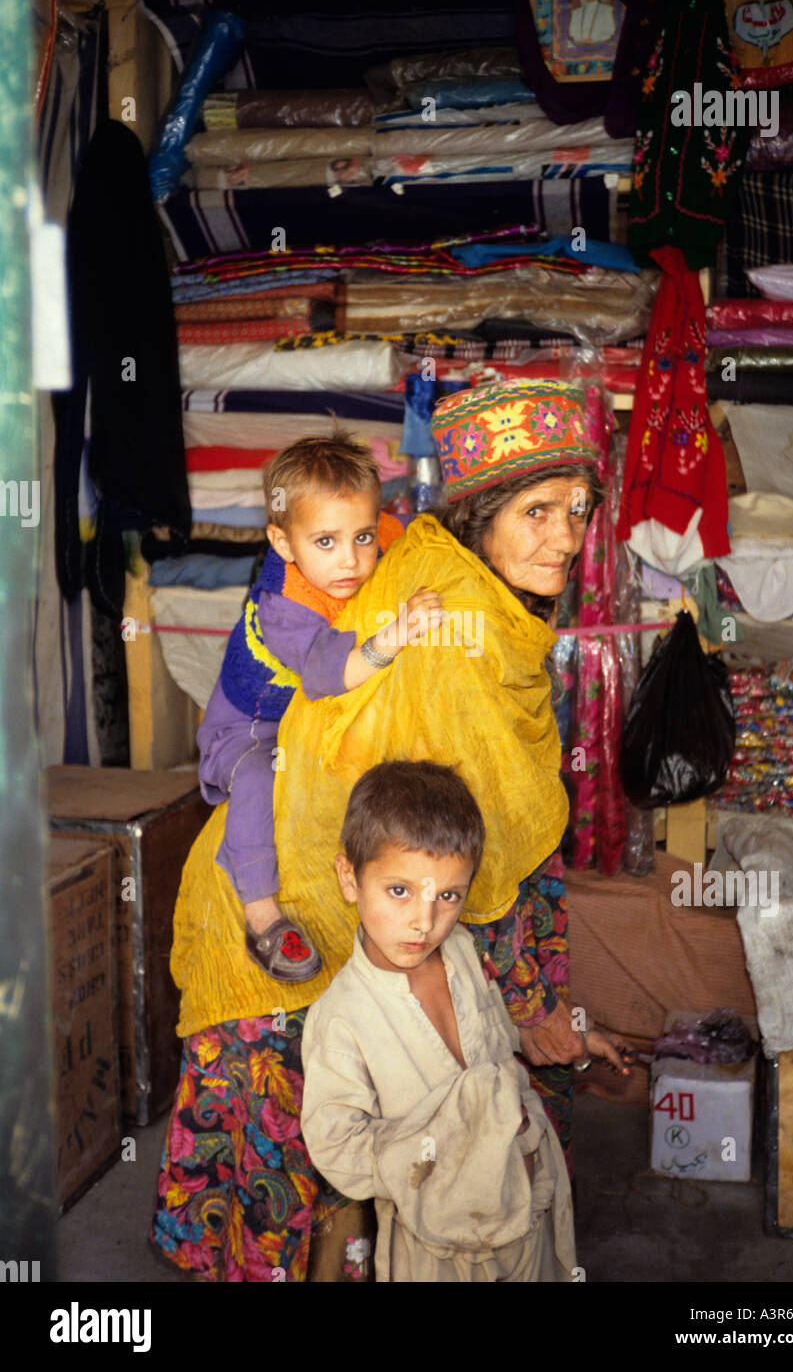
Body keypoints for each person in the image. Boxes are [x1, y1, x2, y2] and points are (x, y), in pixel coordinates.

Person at [152, 379, 633, 1282]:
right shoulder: (450, 621)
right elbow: (472, 854)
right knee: (305, 1167)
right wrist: (531, 1005)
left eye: (578, 508)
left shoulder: (483, 596)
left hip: (363, 896)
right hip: (287, 912)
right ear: (480, 516)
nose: (565, 536)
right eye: (536, 510)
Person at [301, 760, 576, 1283]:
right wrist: (445, 1154)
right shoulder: (341, 1018)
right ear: (349, 878)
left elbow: (494, 1035)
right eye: (399, 891)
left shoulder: (466, 953)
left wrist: (554, 1045)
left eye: (447, 896)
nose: (424, 922)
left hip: (527, 1212)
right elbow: (337, 1147)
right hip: (436, 1249)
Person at [196, 431, 442, 981]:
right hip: (248, 731)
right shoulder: (284, 609)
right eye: (325, 543)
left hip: (305, 724)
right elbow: (340, 673)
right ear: (282, 544)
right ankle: (263, 917)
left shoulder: (366, 539)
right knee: (259, 779)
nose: (352, 560)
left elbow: (405, 535)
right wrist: (398, 633)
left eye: (362, 537)